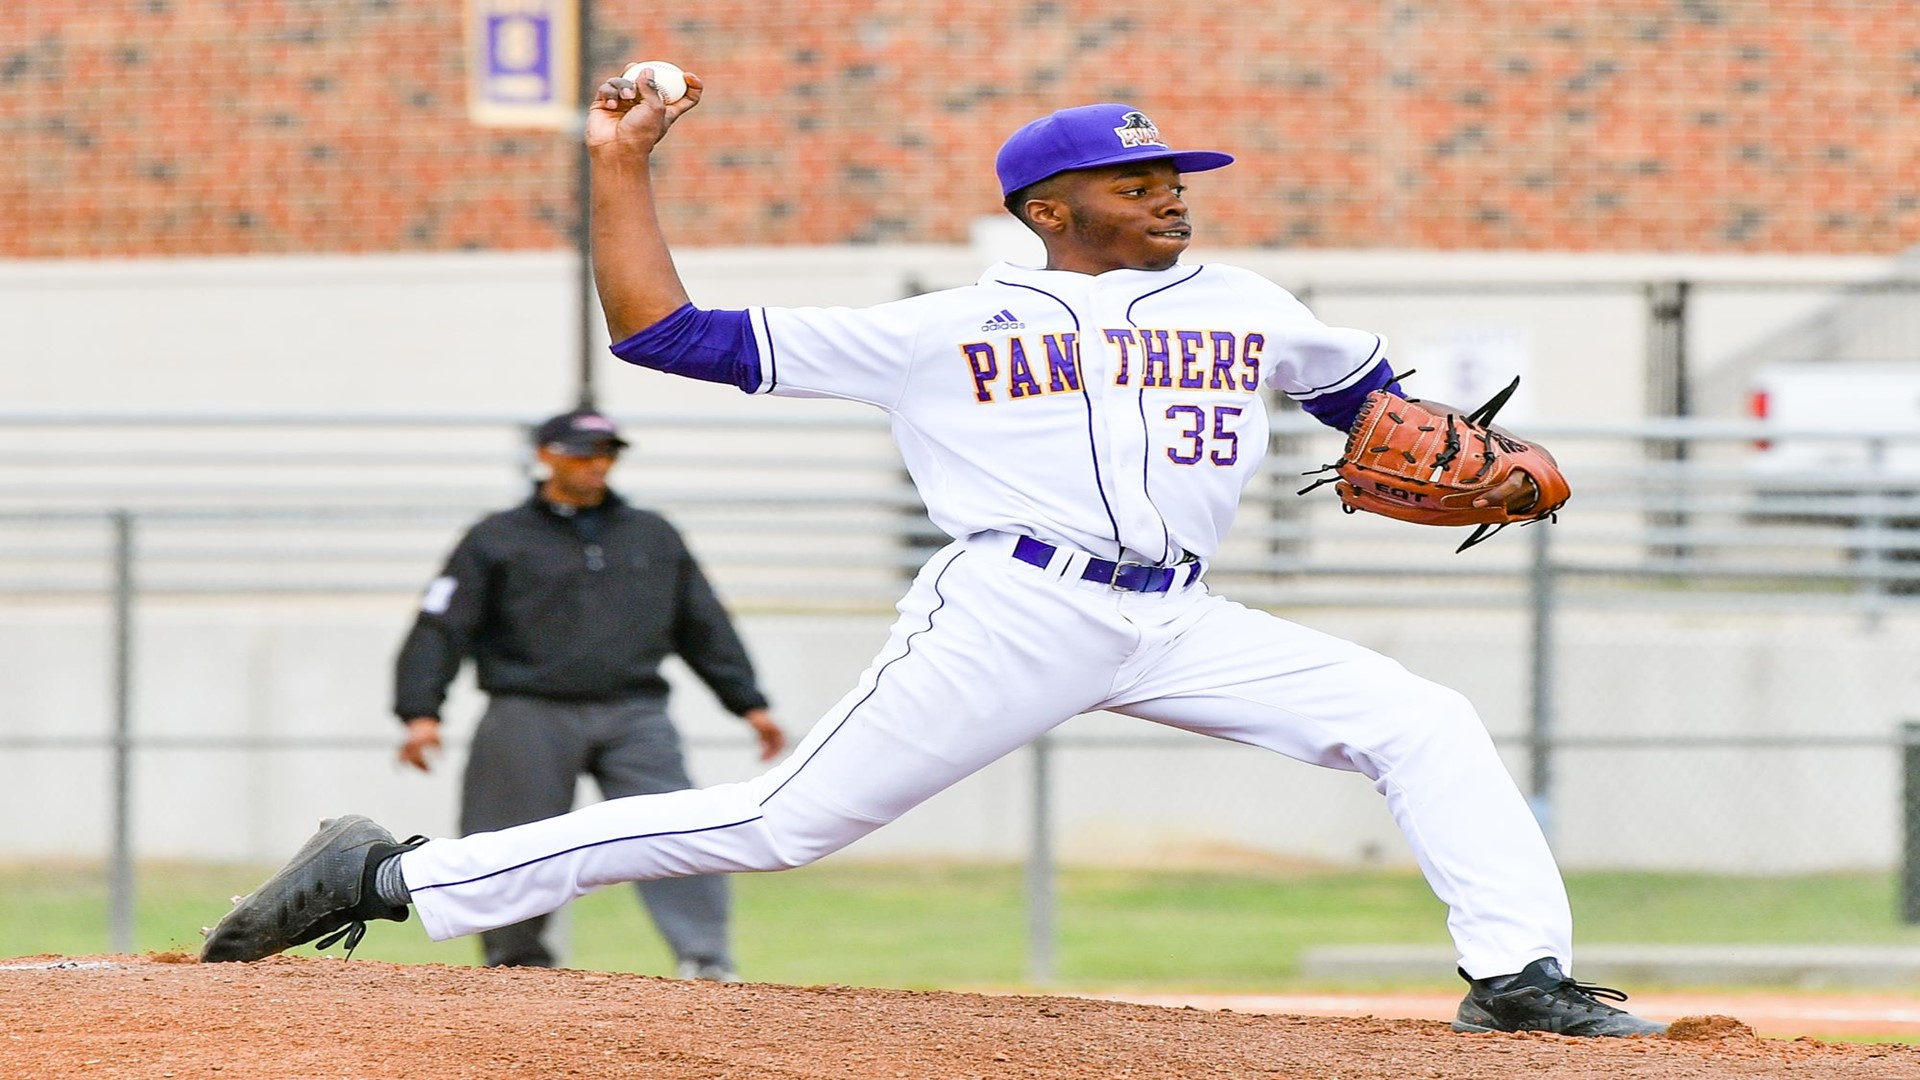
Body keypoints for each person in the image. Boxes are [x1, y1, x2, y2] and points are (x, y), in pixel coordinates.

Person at [202, 69, 1666, 1038]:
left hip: (1183, 615)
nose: (1169, 190)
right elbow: (667, 335)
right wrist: (622, 165)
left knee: (1422, 722)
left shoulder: (1256, 299)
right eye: (1135, 179)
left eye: (1173, 174)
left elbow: (1369, 402)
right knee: (785, 822)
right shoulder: (947, 328)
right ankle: (394, 881)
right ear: (1049, 211)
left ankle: (1517, 980)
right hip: (1014, 607)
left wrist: (1454, 445)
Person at [387, 407, 786, 980]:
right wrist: (420, 711)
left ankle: (705, 960)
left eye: (606, 454)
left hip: (636, 712)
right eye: (582, 454)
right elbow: (442, 625)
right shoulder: (497, 537)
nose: (597, 465)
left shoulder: (652, 533)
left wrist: (749, 703)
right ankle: (518, 965)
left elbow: (703, 623)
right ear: (546, 456)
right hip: (528, 710)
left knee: (680, 832)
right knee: (508, 840)